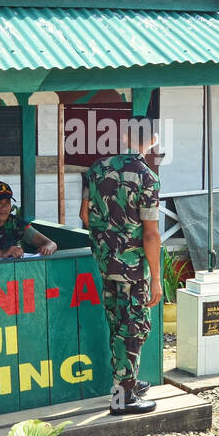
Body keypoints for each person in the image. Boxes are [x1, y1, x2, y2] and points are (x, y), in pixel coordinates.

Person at [79, 121, 161, 415]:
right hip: (134, 267)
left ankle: (125, 382)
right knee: (133, 327)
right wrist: (156, 279)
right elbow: (151, 234)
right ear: (153, 140)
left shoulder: (97, 168)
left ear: (125, 136)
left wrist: (109, 237)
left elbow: (84, 215)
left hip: (105, 261)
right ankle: (123, 397)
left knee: (117, 322)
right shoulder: (148, 178)